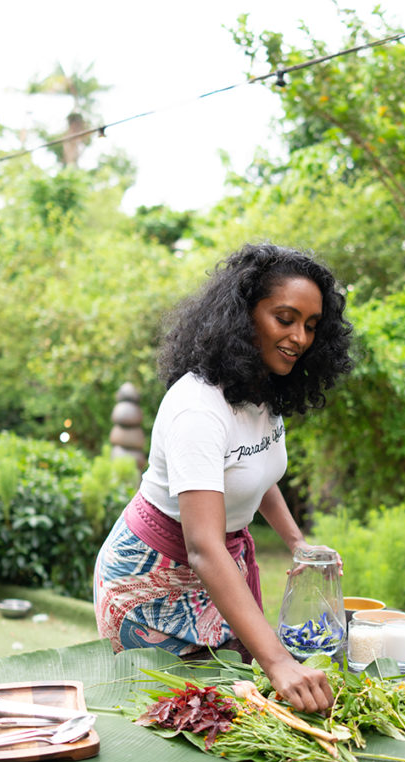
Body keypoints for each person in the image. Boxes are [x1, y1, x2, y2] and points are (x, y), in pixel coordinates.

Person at [94, 243, 353, 712]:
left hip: (215, 576)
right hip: (152, 583)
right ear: (243, 315)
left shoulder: (261, 394)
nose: (299, 337)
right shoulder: (198, 407)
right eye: (285, 318)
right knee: (189, 720)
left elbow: (255, 474)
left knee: (238, 709)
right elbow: (203, 547)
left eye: (311, 326)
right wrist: (278, 661)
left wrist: (297, 543)